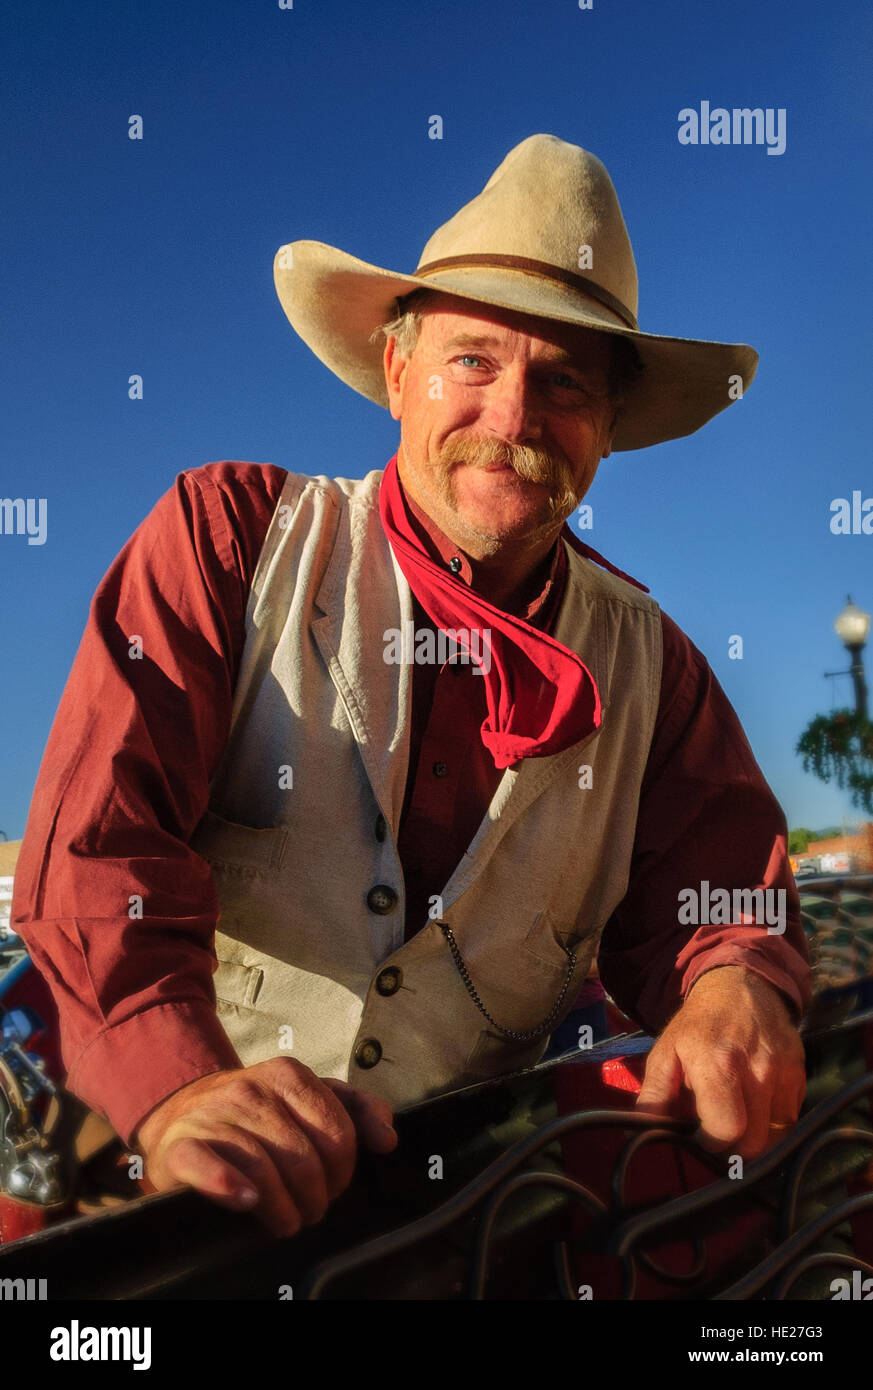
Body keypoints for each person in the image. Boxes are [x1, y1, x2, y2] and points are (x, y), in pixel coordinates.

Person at [12, 134, 810, 1238]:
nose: (515, 415)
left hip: (446, 1229)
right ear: (398, 372)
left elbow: (725, 899)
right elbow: (96, 852)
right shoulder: (227, 538)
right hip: (150, 1198)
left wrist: (735, 989)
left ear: (610, 429)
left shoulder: (655, 667)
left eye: (565, 380)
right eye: (473, 360)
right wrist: (181, 1084)